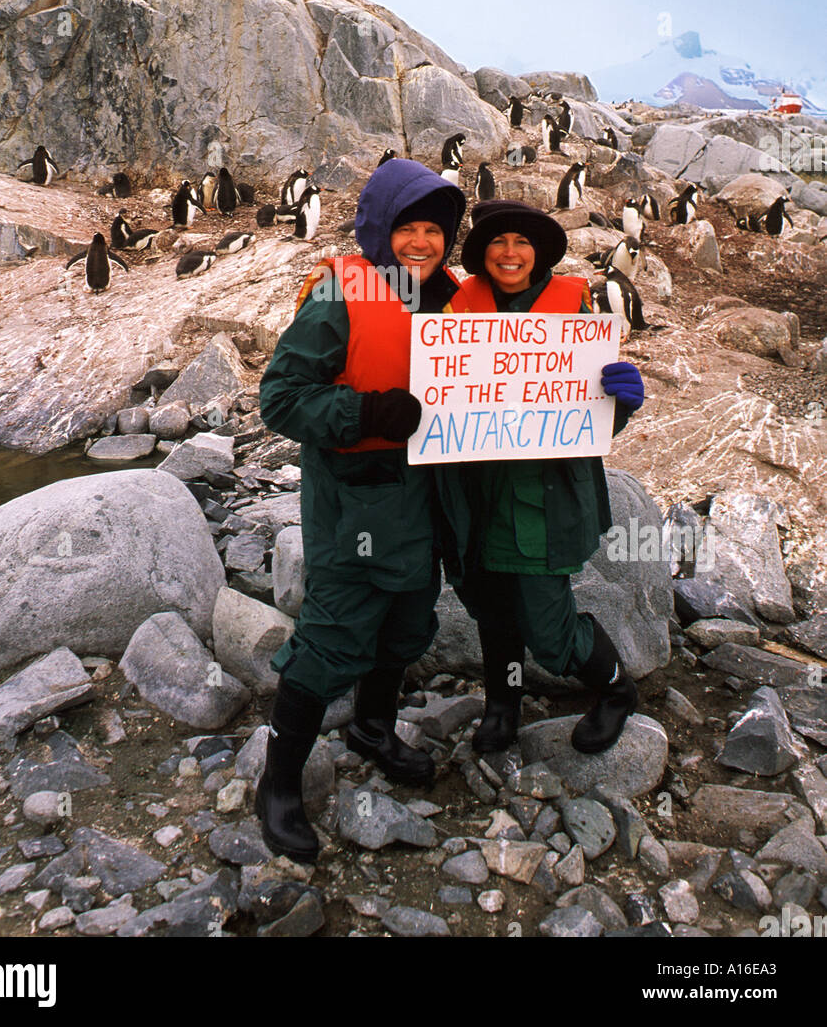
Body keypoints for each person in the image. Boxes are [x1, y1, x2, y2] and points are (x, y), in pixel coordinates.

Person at [255, 158, 470, 863]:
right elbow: (280, 397)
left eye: (434, 230)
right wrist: (365, 410)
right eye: (407, 226)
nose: (421, 242)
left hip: (431, 501)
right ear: (379, 228)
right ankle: (279, 784)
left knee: (409, 621)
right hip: (358, 500)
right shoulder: (339, 296)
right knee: (333, 635)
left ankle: (373, 729)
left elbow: (524, 378)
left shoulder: (460, 300)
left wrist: (606, 391)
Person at [453, 199, 646, 756]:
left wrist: (620, 396)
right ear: (482, 252)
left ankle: (614, 688)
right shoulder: (460, 306)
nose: (509, 253)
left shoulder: (572, 302)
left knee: (547, 626)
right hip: (478, 493)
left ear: (539, 251)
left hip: (546, 496)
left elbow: (592, 406)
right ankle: (503, 704)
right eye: (497, 242)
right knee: (492, 607)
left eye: (521, 242)